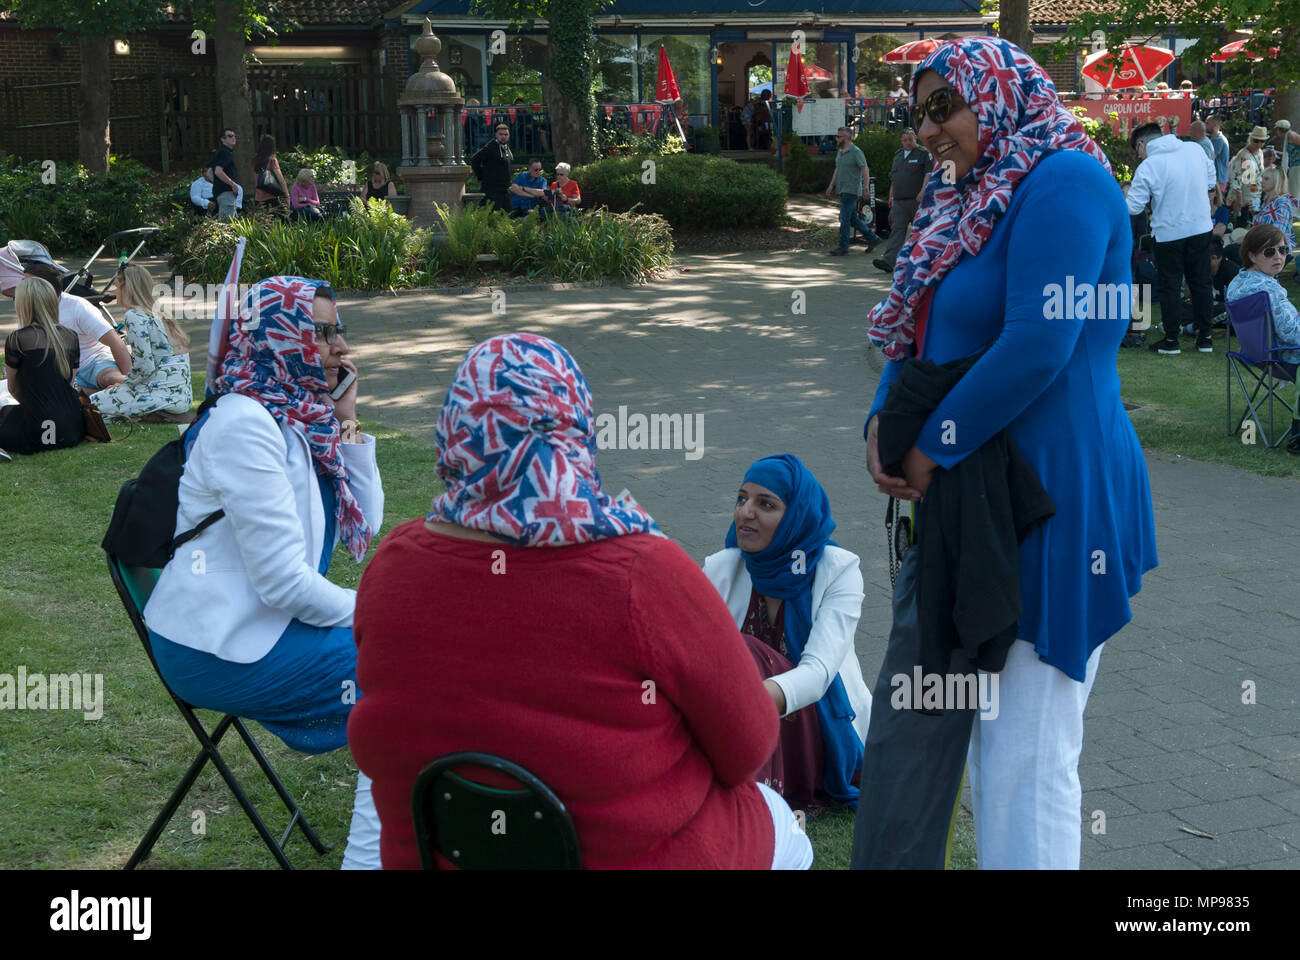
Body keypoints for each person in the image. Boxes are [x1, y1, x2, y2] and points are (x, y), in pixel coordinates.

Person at [854, 36, 1157, 870]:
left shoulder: (1066, 180)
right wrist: (883, 420)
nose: (926, 129)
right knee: (987, 743)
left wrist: (929, 451)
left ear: (997, 97)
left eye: (942, 107)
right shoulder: (965, 193)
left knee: (1026, 750)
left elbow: (1037, 345)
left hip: (1054, 497)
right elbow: (916, 324)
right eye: (917, 112)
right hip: (972, 494)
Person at [347, 333, 813, 870]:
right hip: (637, 858)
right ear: (577, 433)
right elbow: (749, 745)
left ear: (454, 433)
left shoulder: (394, 563)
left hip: (435, 857)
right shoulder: (643, 571)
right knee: (786, 828)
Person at [142, 276, 385, 869]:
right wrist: (383, 615)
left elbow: (366, 519)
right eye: (320, 332)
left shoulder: (302, 416)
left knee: (413, 662)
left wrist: (346, 417)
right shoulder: (245, 424)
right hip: (217, 648)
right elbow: (282, 583)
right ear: (277, 337)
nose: (340, 346)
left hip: (270, 626)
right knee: (409, 669)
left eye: (338, 329)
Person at [703, 454, 871, 810]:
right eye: (742, 499)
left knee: (744, 651)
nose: (746, 512)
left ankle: (747, 804)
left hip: (817, 722)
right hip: (735, 717)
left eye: (765, 504)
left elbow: (819, 673)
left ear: (796, 515)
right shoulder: (722, 568)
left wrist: (748, 701)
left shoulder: (838, 571)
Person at [1125, 121, 1217, 354]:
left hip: (1168, 233)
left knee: (1170, 286)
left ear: (1142, 145)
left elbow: (1133, 207)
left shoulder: (1149, 165)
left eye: (1137, 150)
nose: (1139, 155)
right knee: (1201, 282)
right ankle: (1205, 337)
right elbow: (1211, 178)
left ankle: (1171, 339)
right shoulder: (1194, 149)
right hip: (1200, 226)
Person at [1225, 224, 1300, 452]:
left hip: (1254, 353)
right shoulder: (1268, 289)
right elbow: (1291, 334)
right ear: (1251, 255)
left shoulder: (1237, 283)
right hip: (1284, 355)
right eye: (1269, 252)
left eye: (1283, 250)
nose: (1279, 257)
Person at [89, 264, 192, 420]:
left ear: (126, 289)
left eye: (117, 287)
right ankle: (153, 414)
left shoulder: (134, 316)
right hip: (182, 396)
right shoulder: (159, 312)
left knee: (92, 406)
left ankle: (153, 412)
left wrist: (126, 383)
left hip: (162, 395)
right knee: (108, 395)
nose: (115, 293)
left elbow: (145, 368)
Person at [0, 277, 82, 459]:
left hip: (35, 431)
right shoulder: (71, 337)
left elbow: (13, 389)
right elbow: (69, 382)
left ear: (23, 305)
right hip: (71, 429)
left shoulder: (17, 339)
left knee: (5, 412)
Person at [22, 260, 131, 391]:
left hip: (93, 361)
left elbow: (115, 341)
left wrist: (130, 378)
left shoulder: (78, 307)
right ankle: (83, 392)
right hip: (59, 369)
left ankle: (133, 388)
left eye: (28, 283)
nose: (22, 287)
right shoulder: (28, 308)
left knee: (110, 378)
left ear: (47, 287)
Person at [874, 127, 930, 273]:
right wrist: (891, 195)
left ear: (915, 138)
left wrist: (923, 191)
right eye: (905, 140)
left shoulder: (923, 153)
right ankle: (888, 261)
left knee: (920, 232)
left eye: (910, 139)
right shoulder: (898, 155)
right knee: (896, 231)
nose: (908, 142)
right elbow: (894, 177)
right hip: (899, 201)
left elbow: (928, 174)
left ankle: (921, 262)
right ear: (901, 141)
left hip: (916, 201)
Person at [824, 126, 879, 256]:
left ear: (847, 137)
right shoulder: (840, 151)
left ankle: (843, 247)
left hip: (852, 190)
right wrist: (831, 185)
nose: (836, 139)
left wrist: (866, 188)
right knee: (852, 219)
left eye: (839, 137)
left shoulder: (856, 152)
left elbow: (865, 169)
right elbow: (837, 169)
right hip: (842, 189)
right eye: (837, 136)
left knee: (844, 218)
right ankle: (873, 238)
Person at [1226, 126, 1269, 223]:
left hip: (1256, 195)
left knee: (1253, 224)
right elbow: (1236, 179)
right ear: (1251, 139)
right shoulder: (1243, 155)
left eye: (1262, 141)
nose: (1259, 144)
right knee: (1241, 224)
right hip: (1243, 198)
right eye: (1256, 141)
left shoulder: (1260, 153)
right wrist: (1239, 200)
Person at [469, 123, 514, 213]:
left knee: (508, 215)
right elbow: (474, 160)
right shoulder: (490, 147)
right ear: (496, 135)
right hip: (492, 190)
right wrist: (481, 176)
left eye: (506, 134)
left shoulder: (506, 148)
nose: (503, 136)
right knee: (491, 215)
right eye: (501, 134)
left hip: (504, 189)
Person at [1254, 167, 1296, 254]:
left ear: (1277, 182)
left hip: (1277, 250)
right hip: (1263, 244)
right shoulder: (1265, 202)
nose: (1261, 181)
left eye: (1266, 179)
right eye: (1262, 178)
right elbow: (1259, 226)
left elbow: (1277, 233)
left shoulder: (1282, 203)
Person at [206, 128, 240, 220]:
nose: (233, 138)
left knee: (233, 222)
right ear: (222, 139)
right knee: (227, 223)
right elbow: (218, 171)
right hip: (226, 193)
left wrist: (218, 183)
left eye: (234, 136)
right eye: (230, 136)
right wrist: (232, 184)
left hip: (220, 192)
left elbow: (209, 173)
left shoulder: (219, 152)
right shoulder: (226, 152)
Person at [251, 135, 289, 212]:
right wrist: (287, 196)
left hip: (258, 198)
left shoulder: (254, 161)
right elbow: (281, 180)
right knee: (284, 218)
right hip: (271, 197)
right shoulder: (272, 161)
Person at [1276, 119, 1300, 201]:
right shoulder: (1288, 136)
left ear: (1279, 129)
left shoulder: (1291, 135)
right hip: (1294, 166)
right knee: (1293, 189)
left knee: (1295, 190)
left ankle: (1296, 208)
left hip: (1298, 166)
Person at [1206, 115, 1231, 194]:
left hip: (1219, 179)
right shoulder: (1215, 139)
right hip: (1218, 178)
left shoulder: (1219, 140)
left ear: (1215, 125)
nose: (1205, 125)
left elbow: (1212, 158)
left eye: (1207, 123)